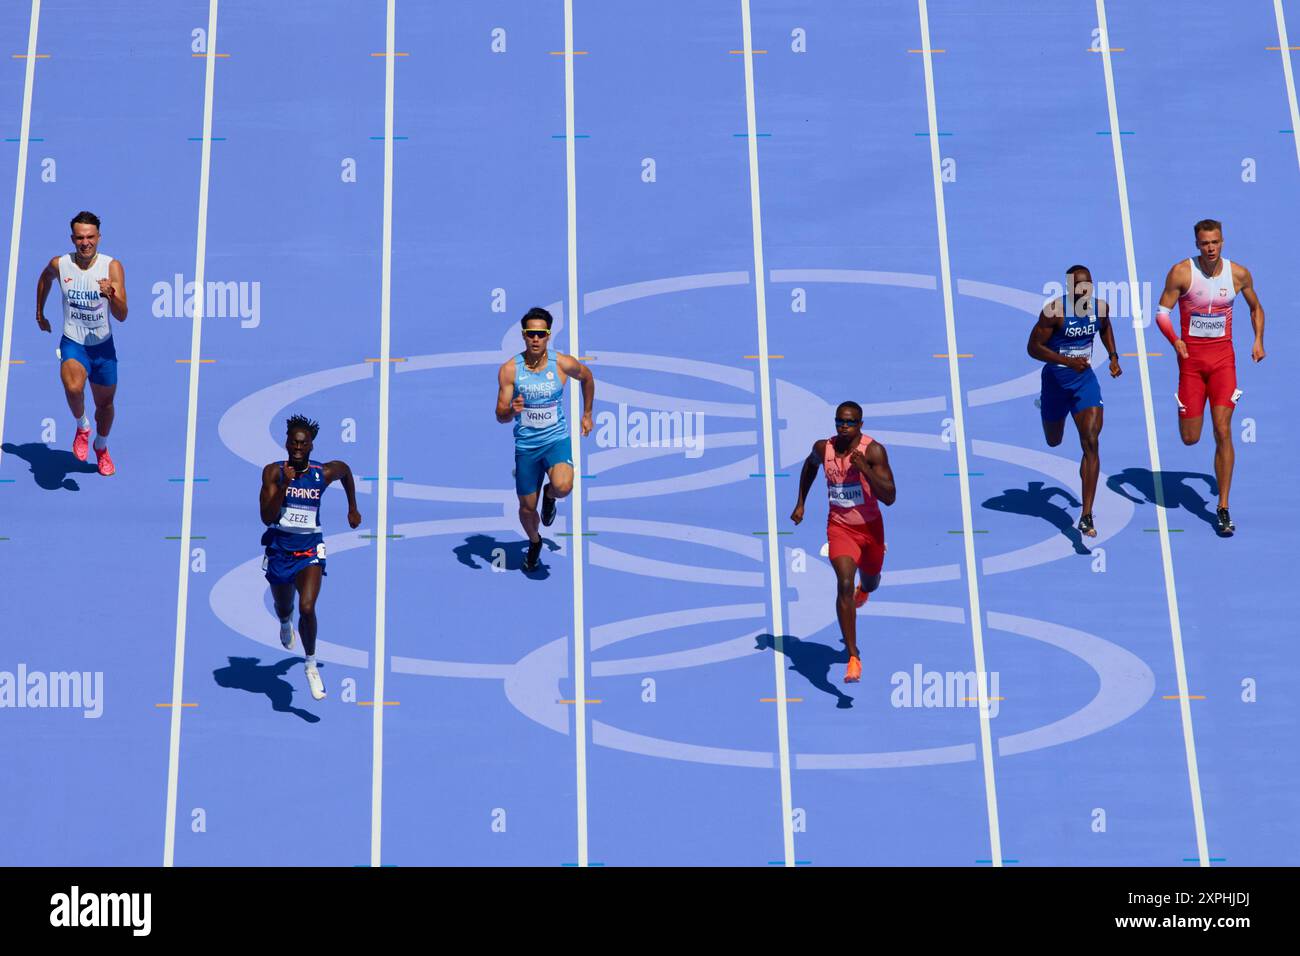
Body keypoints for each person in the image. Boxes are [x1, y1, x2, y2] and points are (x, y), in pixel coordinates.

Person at [1153, 219, 1265, 536]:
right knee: (1191, 438)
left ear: (1223, 241)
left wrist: (1258, 340)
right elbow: (1162, 312)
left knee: (1223, 428)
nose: (1211, 248)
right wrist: (1175, 339)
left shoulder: (1239, 274)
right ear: (1197, 245)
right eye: (1205, 243)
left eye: (1215, 242)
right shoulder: (1181, 273)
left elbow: (1256, 308)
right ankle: (1188, 414)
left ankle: (1223, 507)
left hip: (1222, 363)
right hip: (1191, 363)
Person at [790, 402, 896, 683]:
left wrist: (866, 471)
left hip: (871, 530)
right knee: (844, 584)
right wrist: (801, 503)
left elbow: (889, 497)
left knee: (870, 581)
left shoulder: (873, 451)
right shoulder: (823, 448)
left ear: (860, 424)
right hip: (840, 529)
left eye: (849, 422)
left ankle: (867, 589)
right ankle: (853, 656)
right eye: (839, 421)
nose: (843, 426)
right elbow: (809, 467)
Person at [259, 414, 361, 701]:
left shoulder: (323, 473)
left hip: (310, 550)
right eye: (294, 443)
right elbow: (266, 517)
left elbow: (346, 472)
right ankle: (284, 621)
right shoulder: (273, 473)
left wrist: (352, 508)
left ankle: (311, 664)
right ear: (287, 443)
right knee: (284, 606)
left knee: (307, 607)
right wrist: (285, 486)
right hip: (280, 550)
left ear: (312, 446)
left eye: (303, 444)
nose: (298, 448)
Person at [495, 307, 594, 572]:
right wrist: (510, 410)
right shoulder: (509, 371)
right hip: (527, 447)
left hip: (555, 440)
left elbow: (586, 377)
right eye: (531, 334)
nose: (536, 338)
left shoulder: (561, 364)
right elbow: (500, 416)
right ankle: (535, 542)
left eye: (541, 333)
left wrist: (587, 413)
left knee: (563, 486)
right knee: (527, 510)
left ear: (548, 335)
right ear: (524, 336)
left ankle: (550, 496)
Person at [1027, 264, 1122, 536]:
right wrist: (1067, 361)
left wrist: (1114, 357)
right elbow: (1033, 348)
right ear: (1069, 288)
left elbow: (1105, 328)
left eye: (1088, 285)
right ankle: (1044, 407)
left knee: (1091, 441)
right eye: (1079, 286)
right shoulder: (1054, 312)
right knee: (1053, 441)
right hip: (1056, 383)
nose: (1085, 290)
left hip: (1084, 382)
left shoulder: (1099, 308)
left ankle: (1087, 515)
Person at [34, 211, 127, 476]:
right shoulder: (60, 264)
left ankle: (101, 446)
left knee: (105, 407)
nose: (85, 242)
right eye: (80, 238)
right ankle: (83, 427)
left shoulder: (111, 267)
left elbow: (122, 315)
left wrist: (111, 294)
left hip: (103, 348)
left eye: (90, 237)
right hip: (73, 342)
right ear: (72, 239)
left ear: (99, 237)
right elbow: (44, 280)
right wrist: (39, 313)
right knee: (73, 387)